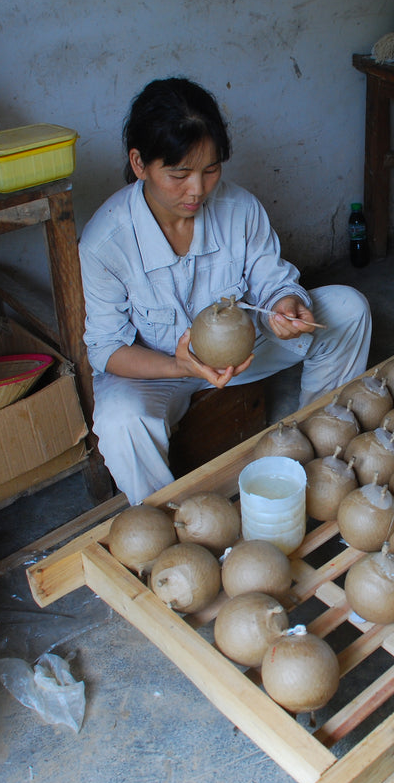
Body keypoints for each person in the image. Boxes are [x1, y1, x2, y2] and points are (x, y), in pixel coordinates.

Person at [80, 78, 372, 504]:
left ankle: (321, 453)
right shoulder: (106, 243)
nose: (197, 190)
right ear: (139, 163)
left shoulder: (239, 209)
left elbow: (272, 278)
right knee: (120, 419)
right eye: (179, 174)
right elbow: (106, 350)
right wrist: (181, 368)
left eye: (211, 170)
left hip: (246, 352)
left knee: (348, 308)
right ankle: (176, 530)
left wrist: (285, 304)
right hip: (164, 370)